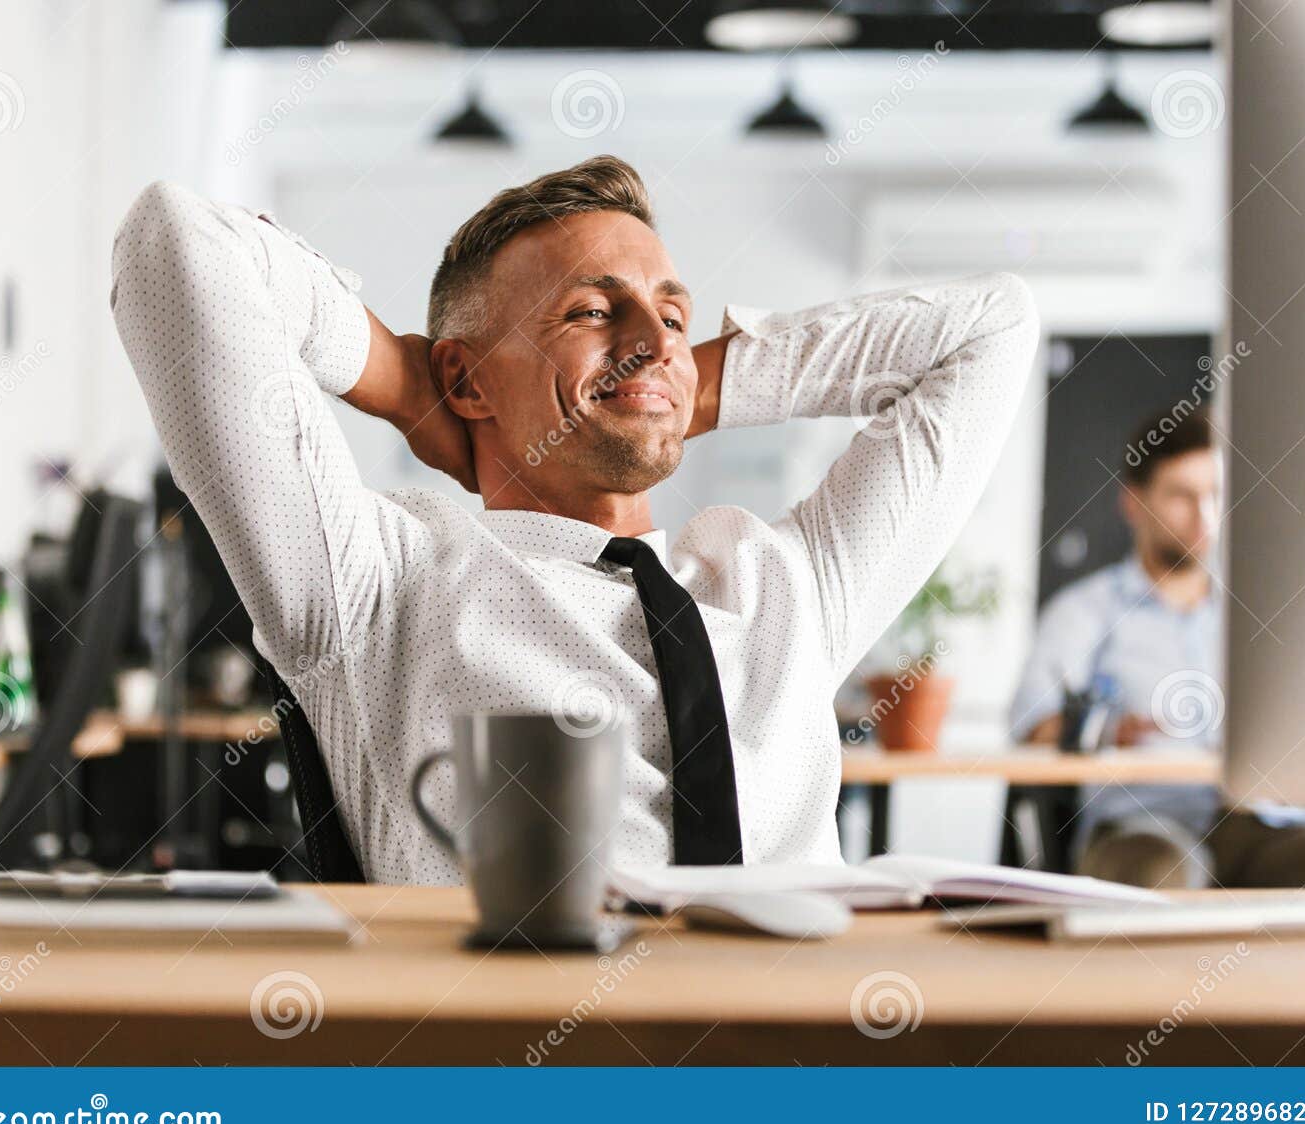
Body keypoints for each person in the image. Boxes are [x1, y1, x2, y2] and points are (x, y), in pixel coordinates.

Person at [111, 156, 1039, 885]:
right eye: (592, 310)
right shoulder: (376, 582)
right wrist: (405, 385)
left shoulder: (784, 583)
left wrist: (676, 378)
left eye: (673, 312)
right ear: (469, 378)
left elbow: (993, 328)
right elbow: (174, 245)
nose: (653, 332)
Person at [1009, 406, 1305, 889]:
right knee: (1157, 872)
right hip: (1143, 825)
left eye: (1215, 495)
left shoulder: (1263, 612)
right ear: (1133, 503)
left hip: (1258, 825)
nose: (1203, 516)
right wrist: (1114, 729)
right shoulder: (1084, 611)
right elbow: (1033, 726)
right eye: (1181, 496)